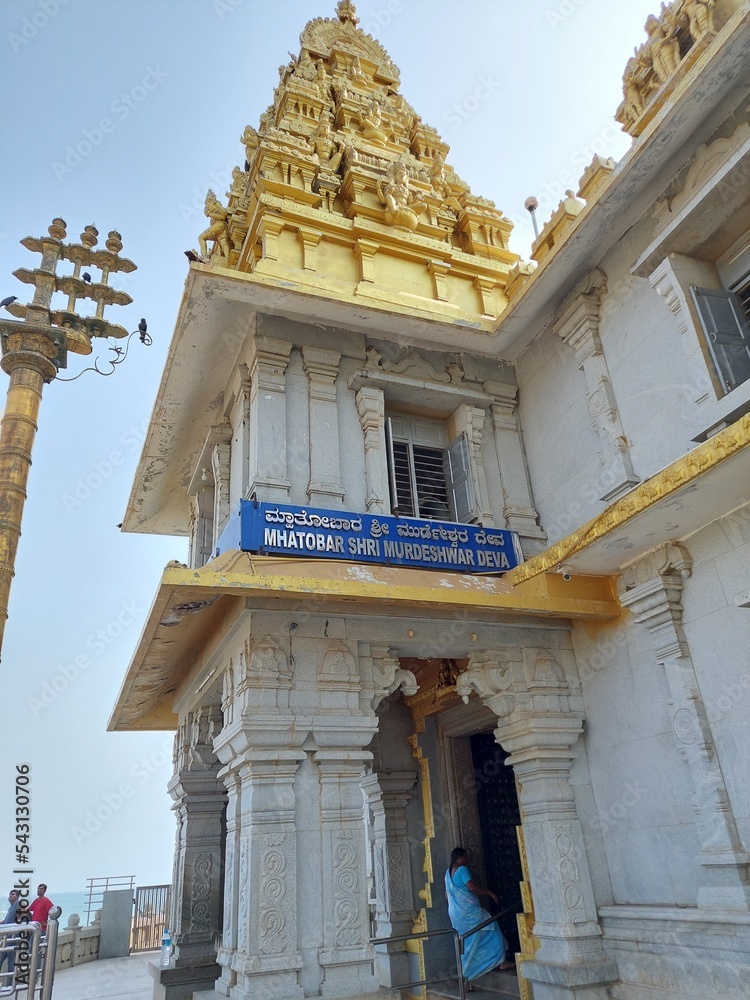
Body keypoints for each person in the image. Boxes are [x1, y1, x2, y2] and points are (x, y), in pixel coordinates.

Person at [445, 848, 514, 990]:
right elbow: (471, 887)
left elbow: (447, 895)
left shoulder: (447, 874)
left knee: (467, 943)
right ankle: (500, 961)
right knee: (492, 928)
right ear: (459, 858)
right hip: (470, 913)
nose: (466, 860)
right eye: (465, 857)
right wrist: (488, 892)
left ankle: (466, 977)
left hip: (456, 914)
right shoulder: (462, 870)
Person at [0, 890, 21, 974]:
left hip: (13, 937)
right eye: (10, 894)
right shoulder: (11, 908)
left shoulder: (17, 904)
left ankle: (10, 981)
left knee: (11, 961)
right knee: (1, 958)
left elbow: (21, 914)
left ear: (17, 897)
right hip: (7, 937)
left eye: (13, 894)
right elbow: (6, 921)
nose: (10, 896)